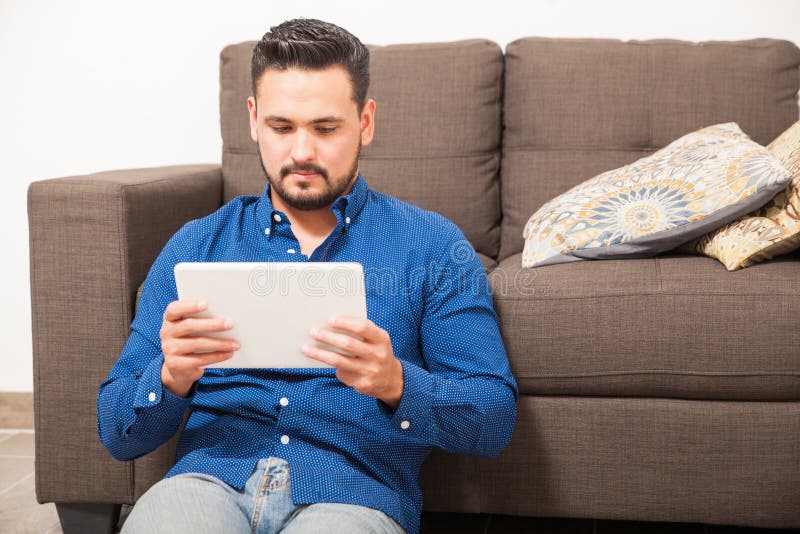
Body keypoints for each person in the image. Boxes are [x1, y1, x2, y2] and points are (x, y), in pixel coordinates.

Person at [97, 17, 517, 534]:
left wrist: (397, 383)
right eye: (281, 128)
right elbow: (115, 431)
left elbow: (493, 419)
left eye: (325, 128)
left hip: (350, 496)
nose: (301, 153)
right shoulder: (198, 244)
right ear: (254, 120)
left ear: (365, 122)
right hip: (208, 483)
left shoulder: (432, 245)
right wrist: (169, 377)